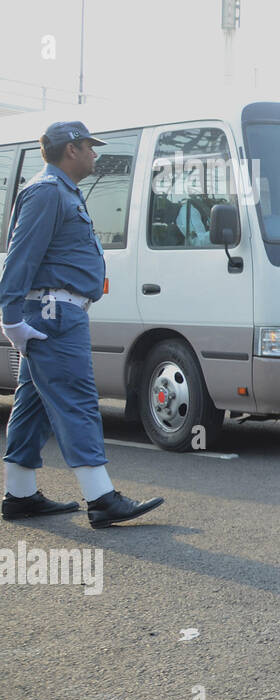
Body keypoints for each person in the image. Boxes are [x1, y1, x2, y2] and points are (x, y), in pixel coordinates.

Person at [0, 122, 164, 527]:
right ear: (70, 150)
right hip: (55, 315)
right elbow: (19, 259)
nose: (95, 153)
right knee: (77, 400)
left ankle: (19, 495)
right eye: (89, 146)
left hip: (58, 313)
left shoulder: (64, 191)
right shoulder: (46, 192)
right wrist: (10, 320)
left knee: (33, 406)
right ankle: (102, 498)